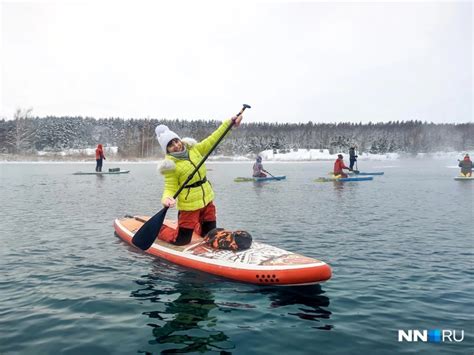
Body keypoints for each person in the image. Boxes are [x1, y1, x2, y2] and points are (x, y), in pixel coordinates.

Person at [155, 114, 243, 246]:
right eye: (170, 145)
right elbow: (170, 187)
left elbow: (214, 139)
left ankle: (198, 227)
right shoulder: (170, 166)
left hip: (207, 201)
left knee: (209, 235)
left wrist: (229, 124)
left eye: (176, 141)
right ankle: (159, 230)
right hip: (189, 207)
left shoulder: (194, 149)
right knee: (181, 241)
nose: (176, 145)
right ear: (167, 150)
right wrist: (166, 199)